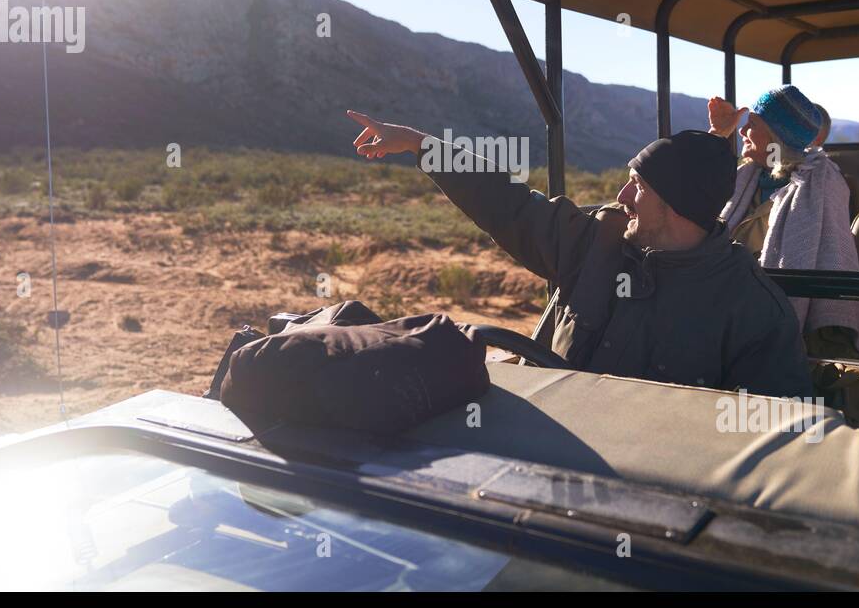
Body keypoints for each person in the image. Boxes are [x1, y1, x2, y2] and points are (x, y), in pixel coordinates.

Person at [345, 109, 813, 398]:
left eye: (639, 186)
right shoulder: (597, 238)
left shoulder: (752, 310)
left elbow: (771, 438)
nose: (622, 197)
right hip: (538, 443)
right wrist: (421, 145)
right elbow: (507, 204)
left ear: (678, 205)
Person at [710, 86, 859, 359]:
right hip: (725, 296)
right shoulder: (744, 177)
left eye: (751, 125)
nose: (741, 132)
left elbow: (828, 258)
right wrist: (717, 136)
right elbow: (687, 199)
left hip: (754, 303)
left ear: (776, 138)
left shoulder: (821, 184)